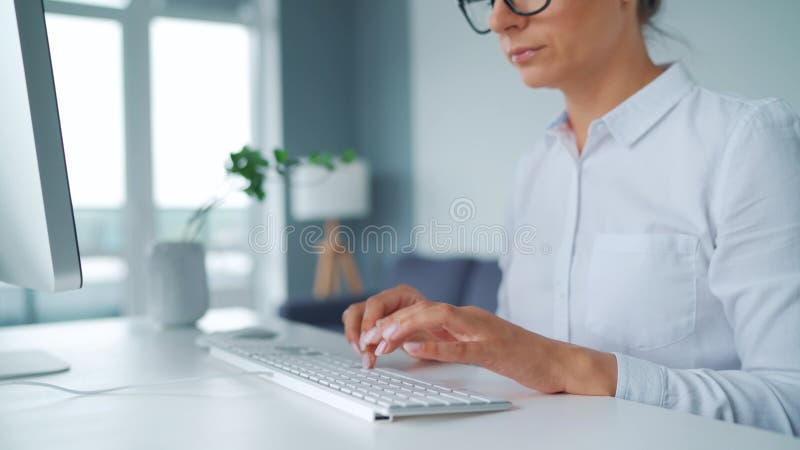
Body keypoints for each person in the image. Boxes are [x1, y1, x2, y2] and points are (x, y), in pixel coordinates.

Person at [341, 0, 800, 435]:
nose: (500, 19)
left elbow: (790, 401)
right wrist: (447, 340)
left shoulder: (744, 142)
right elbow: (522, 358)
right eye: (489, 1)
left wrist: (576, 367)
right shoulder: (534, 168)